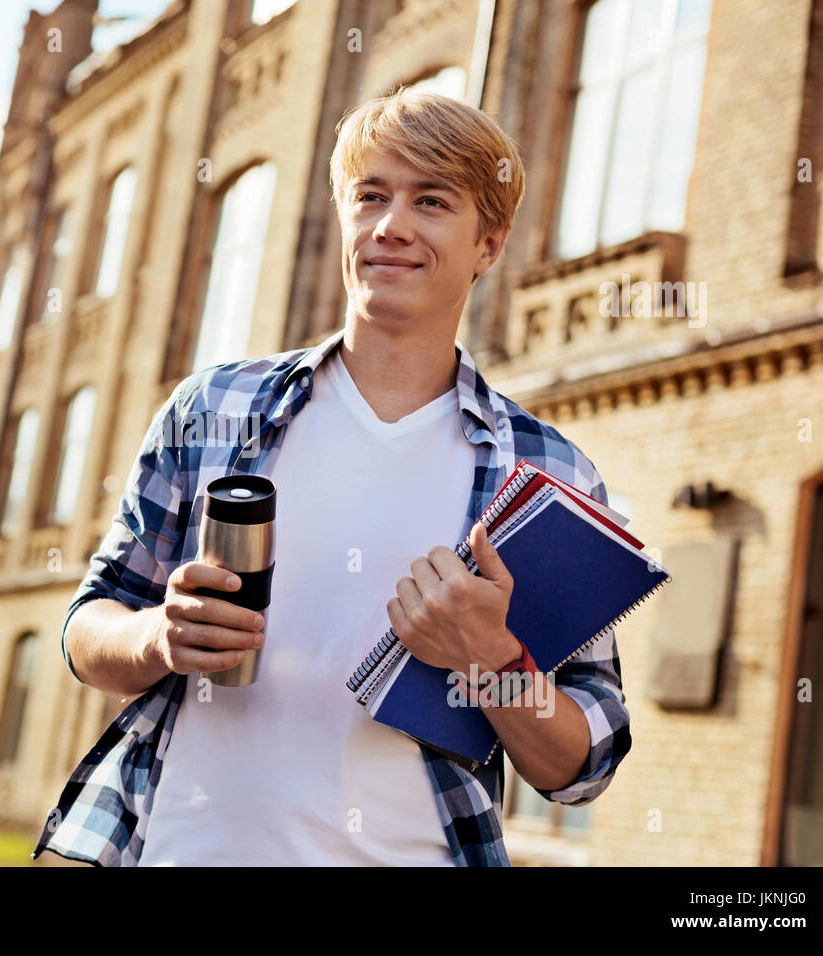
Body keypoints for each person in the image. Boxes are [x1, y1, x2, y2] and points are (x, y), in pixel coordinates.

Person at [33, 89, 631, 866]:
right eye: (371, 196)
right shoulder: (214, 409)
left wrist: (493, 660)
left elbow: (581, 766)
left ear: (489, 243)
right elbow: (88, 632)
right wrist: (158, 635)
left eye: (432, 201)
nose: (392, 225)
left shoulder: (547, 472)